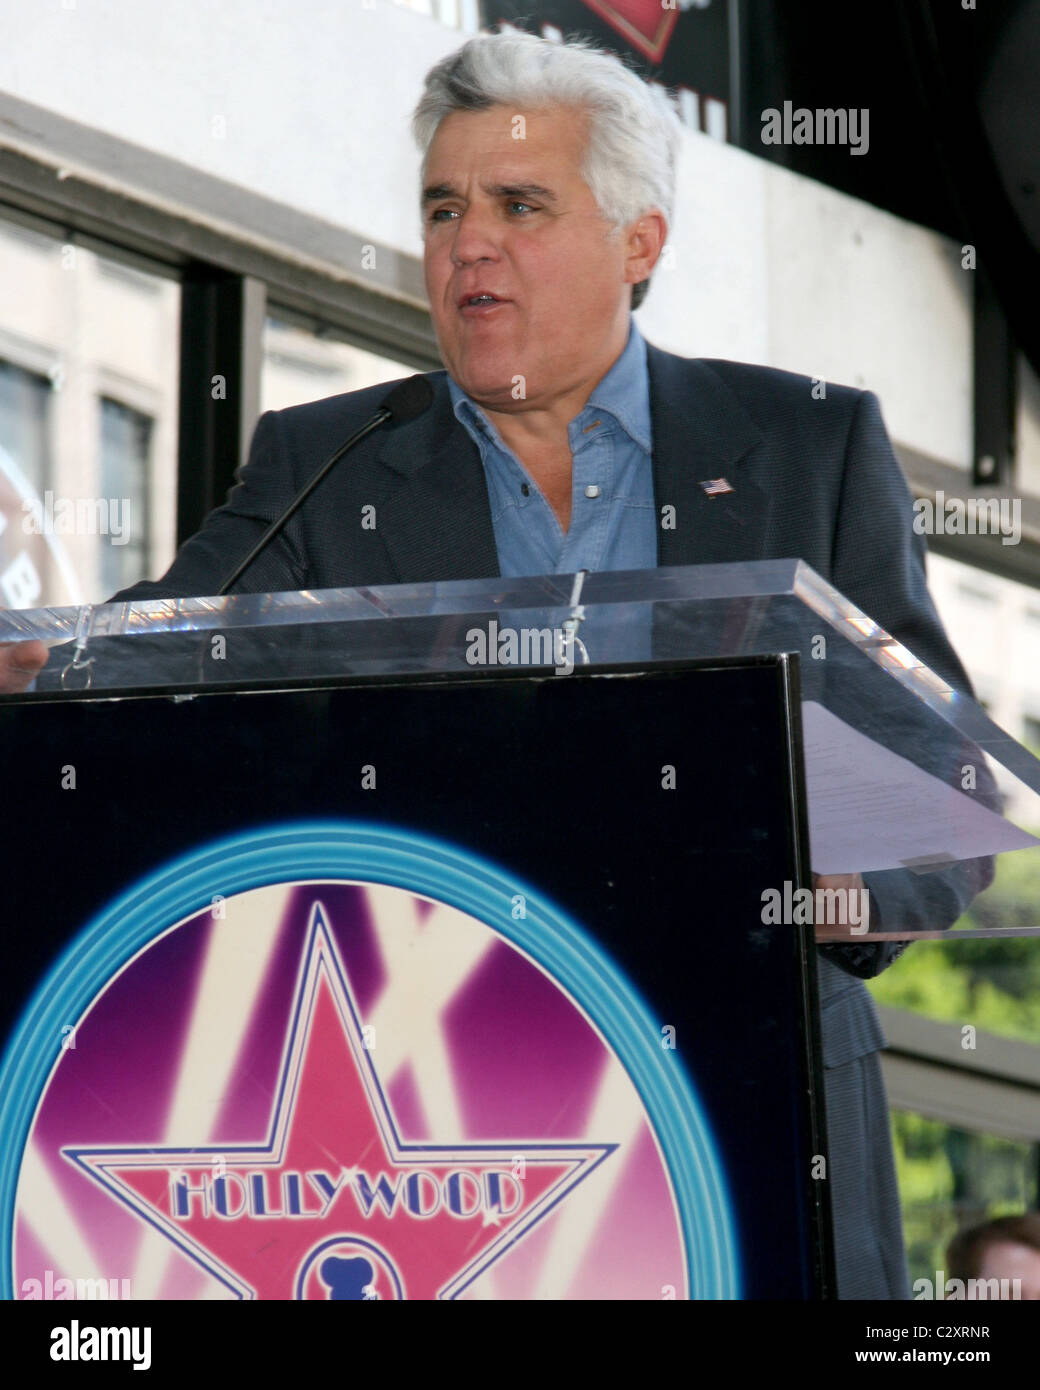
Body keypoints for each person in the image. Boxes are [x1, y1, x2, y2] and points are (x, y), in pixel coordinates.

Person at [0, 31, 993, 1298]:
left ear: (639, 242)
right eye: (442, 207)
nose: (468, 242)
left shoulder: (805, 445)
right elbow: (151, 656)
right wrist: (39, 665)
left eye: (520, 205)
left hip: (756, 1103)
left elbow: (940, 789)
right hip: (455, 1123)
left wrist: (798, 882)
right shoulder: (330, 459)